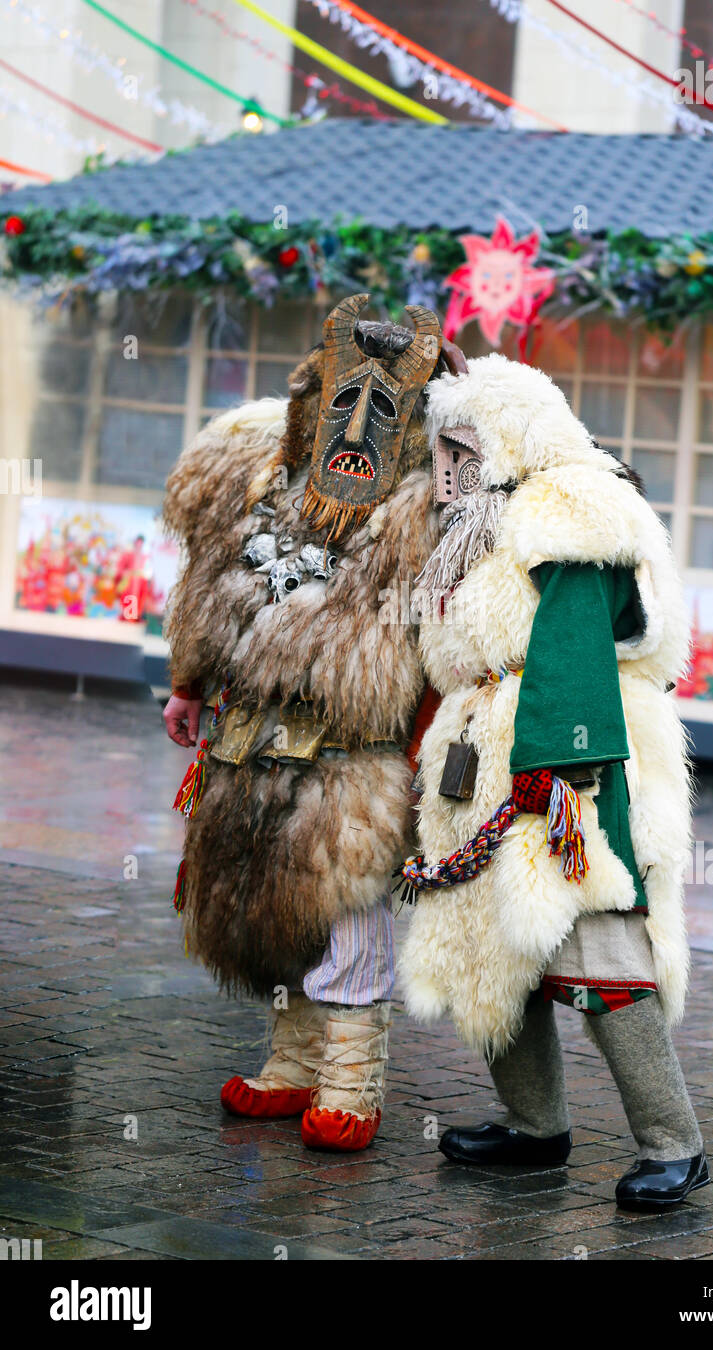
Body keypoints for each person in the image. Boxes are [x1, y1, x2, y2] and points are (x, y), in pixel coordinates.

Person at [398, 352, 708, 1211]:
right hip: (482, 761)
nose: (446, 466)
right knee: (492, 952)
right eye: (444, 447)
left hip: (569, 771)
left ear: (505, 438)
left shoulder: (568, 508)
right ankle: (536, 1129)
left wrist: (557, 775)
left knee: (600, 945)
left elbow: (573, 643)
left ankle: (674, 1142)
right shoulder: (480, 520)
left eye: (461, 446)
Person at [162, 293, 462, 1152]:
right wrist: (190, 684)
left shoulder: (436, 492)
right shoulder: (261, 476)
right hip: (248, 735)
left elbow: (458, 616)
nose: (360, 420)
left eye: (383, 400)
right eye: (342, 398)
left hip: (352, 749)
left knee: (344, 903)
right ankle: (294, 1064)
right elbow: (208, 585)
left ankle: (350, 1076)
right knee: (264, 905)